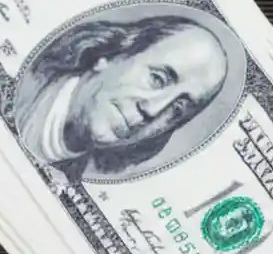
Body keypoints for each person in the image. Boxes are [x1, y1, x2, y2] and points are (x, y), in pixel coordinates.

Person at [16, 14, 229, 182]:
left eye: (177, 110)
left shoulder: (71, 178)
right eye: (157, 79)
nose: (153, 110)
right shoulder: (23, 89)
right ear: (110, 55)